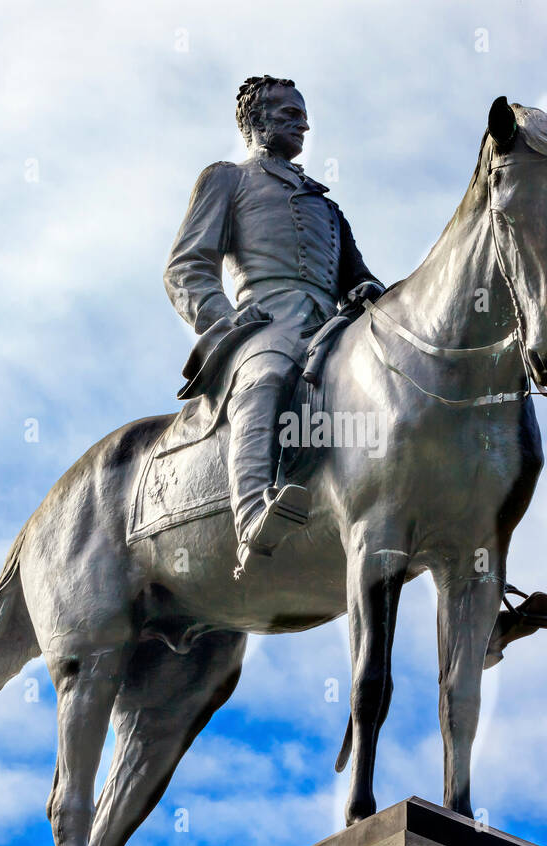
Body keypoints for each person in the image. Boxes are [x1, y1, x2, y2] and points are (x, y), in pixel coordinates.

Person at [164, 75, 384, 574]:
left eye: (303, 115)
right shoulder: (227, 178)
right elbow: (185, 267)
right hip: (264, 322)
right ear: (255, 121)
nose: (303, 123)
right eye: (289, 114)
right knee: (267, 373)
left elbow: (360, 275)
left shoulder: (327, 208)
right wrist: (226, 319)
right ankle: (251, 518)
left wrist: (368, 290)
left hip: (334, 326)